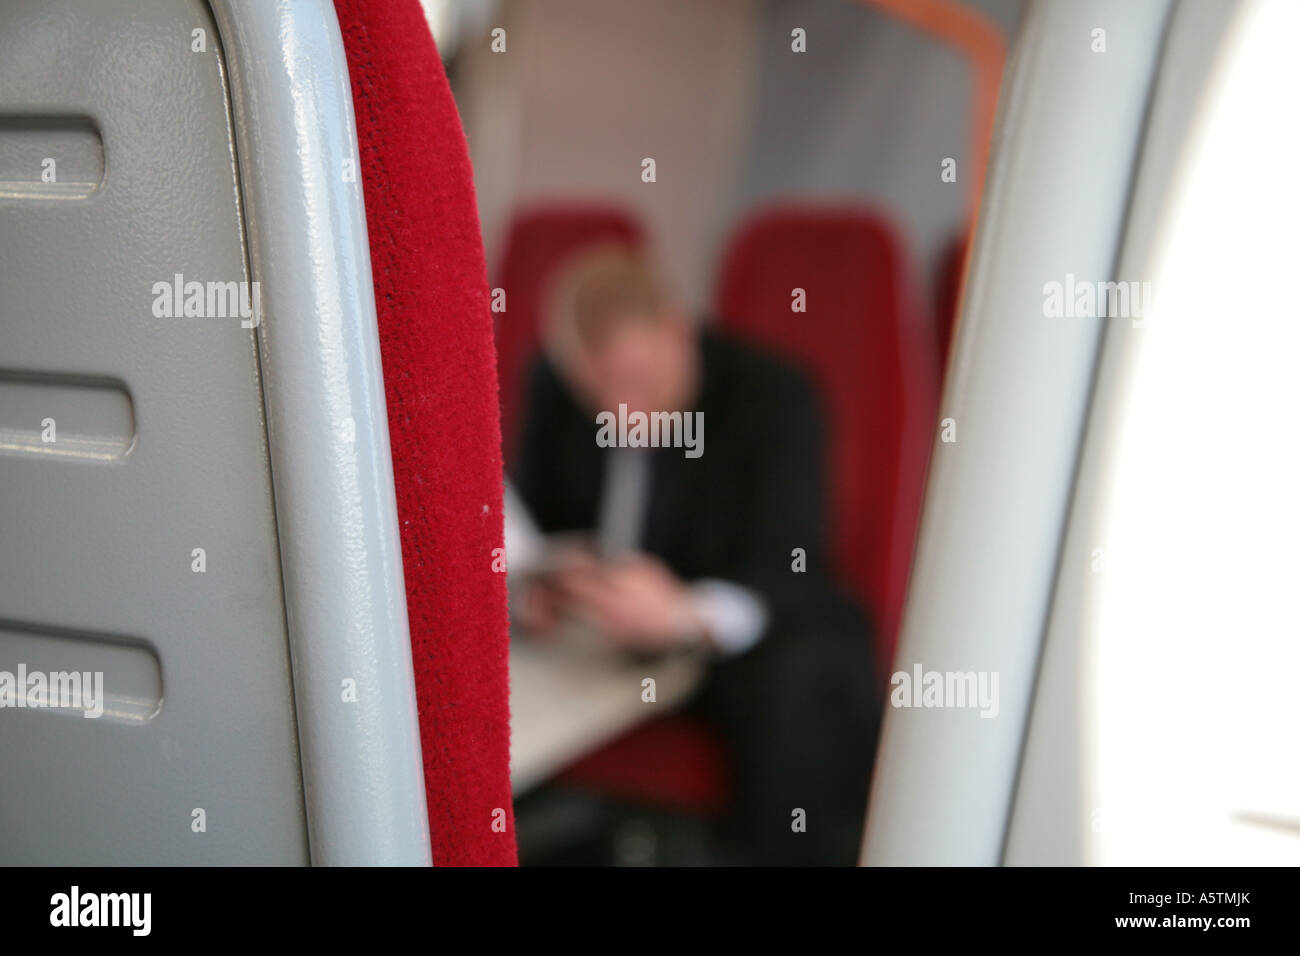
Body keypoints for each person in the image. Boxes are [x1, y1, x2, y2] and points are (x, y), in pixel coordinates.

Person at [510, 244, 882, 865]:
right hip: (590, 636)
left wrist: (683, 612)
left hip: (726, 636)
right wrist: (536, 592)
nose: (625, 416)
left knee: (803, 672)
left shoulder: (774, 396)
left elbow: (790, 568)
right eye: (600, 395)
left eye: (643, 385)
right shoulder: (550, 386)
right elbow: (532, 527)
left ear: (679, 331)